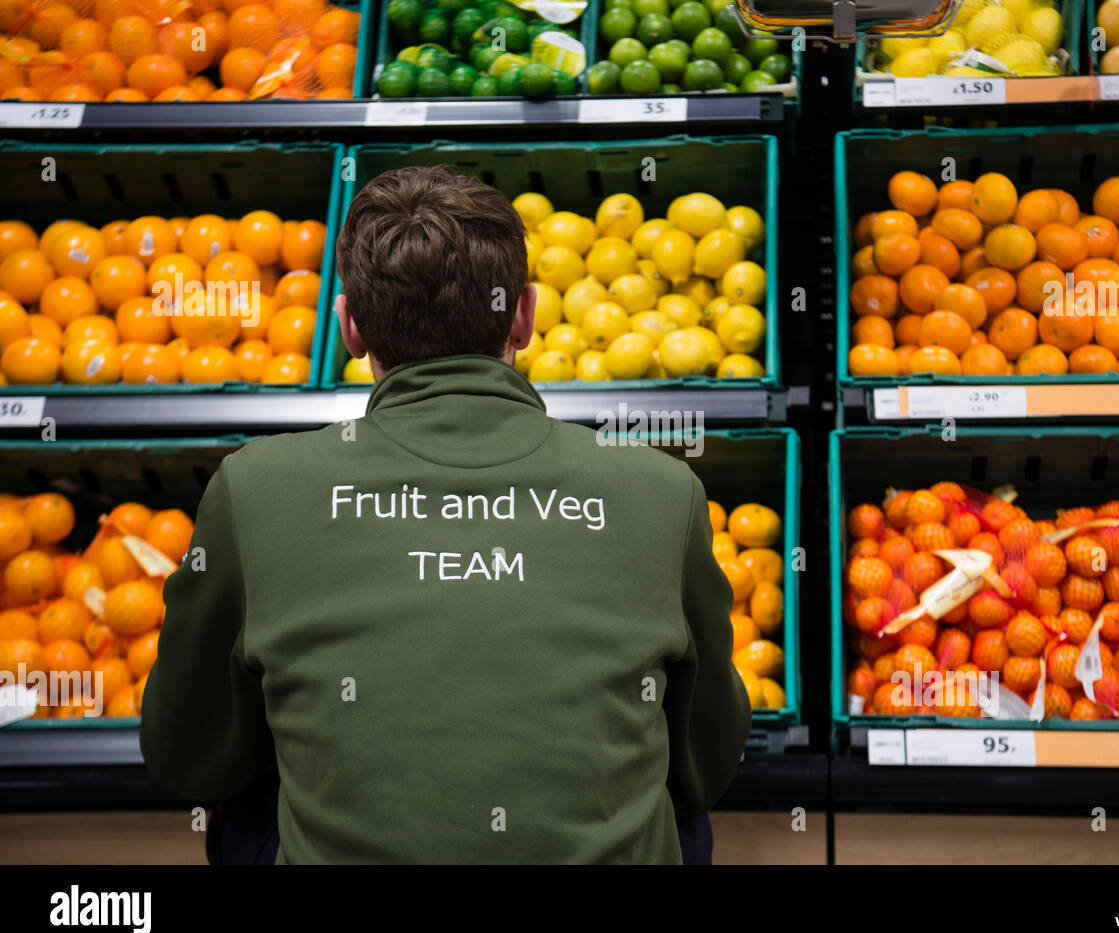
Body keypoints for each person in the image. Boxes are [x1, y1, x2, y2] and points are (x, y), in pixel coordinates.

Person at [140, 165, 752, 864]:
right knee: (677, 808)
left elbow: (185, 754)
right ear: (523, 315)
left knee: (253, 796)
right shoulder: (661, 489)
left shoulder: (254, 488)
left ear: (350, 328)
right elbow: (709, 760)